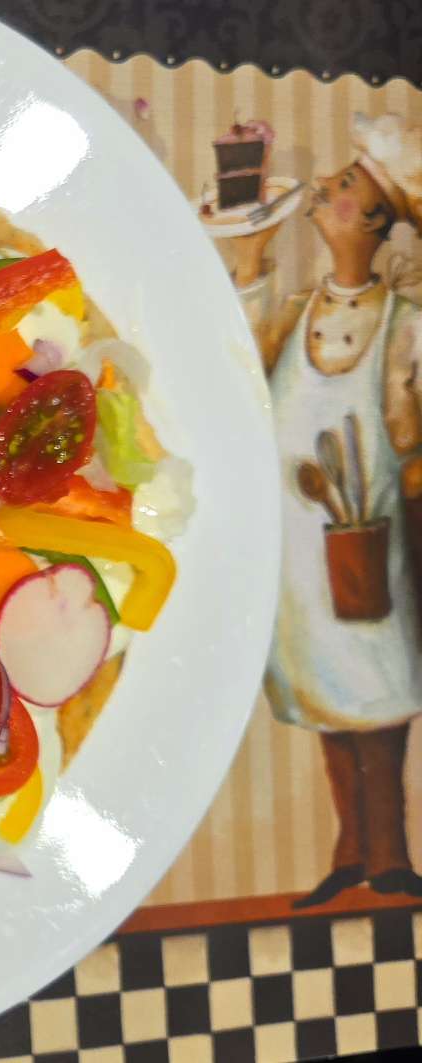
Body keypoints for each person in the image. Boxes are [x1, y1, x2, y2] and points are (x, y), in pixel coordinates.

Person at [228, 114, 422, 908]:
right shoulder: (299, 308)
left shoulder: (404, 324)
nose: (329, 189)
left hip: (363, 539)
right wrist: (250, 251)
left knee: (380, 695)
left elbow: (408, 437)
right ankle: (353, 851)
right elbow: (240, 369)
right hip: (295, 548)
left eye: (347, 186)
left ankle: (394, 854)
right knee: (328, 703)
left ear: (373, 221)